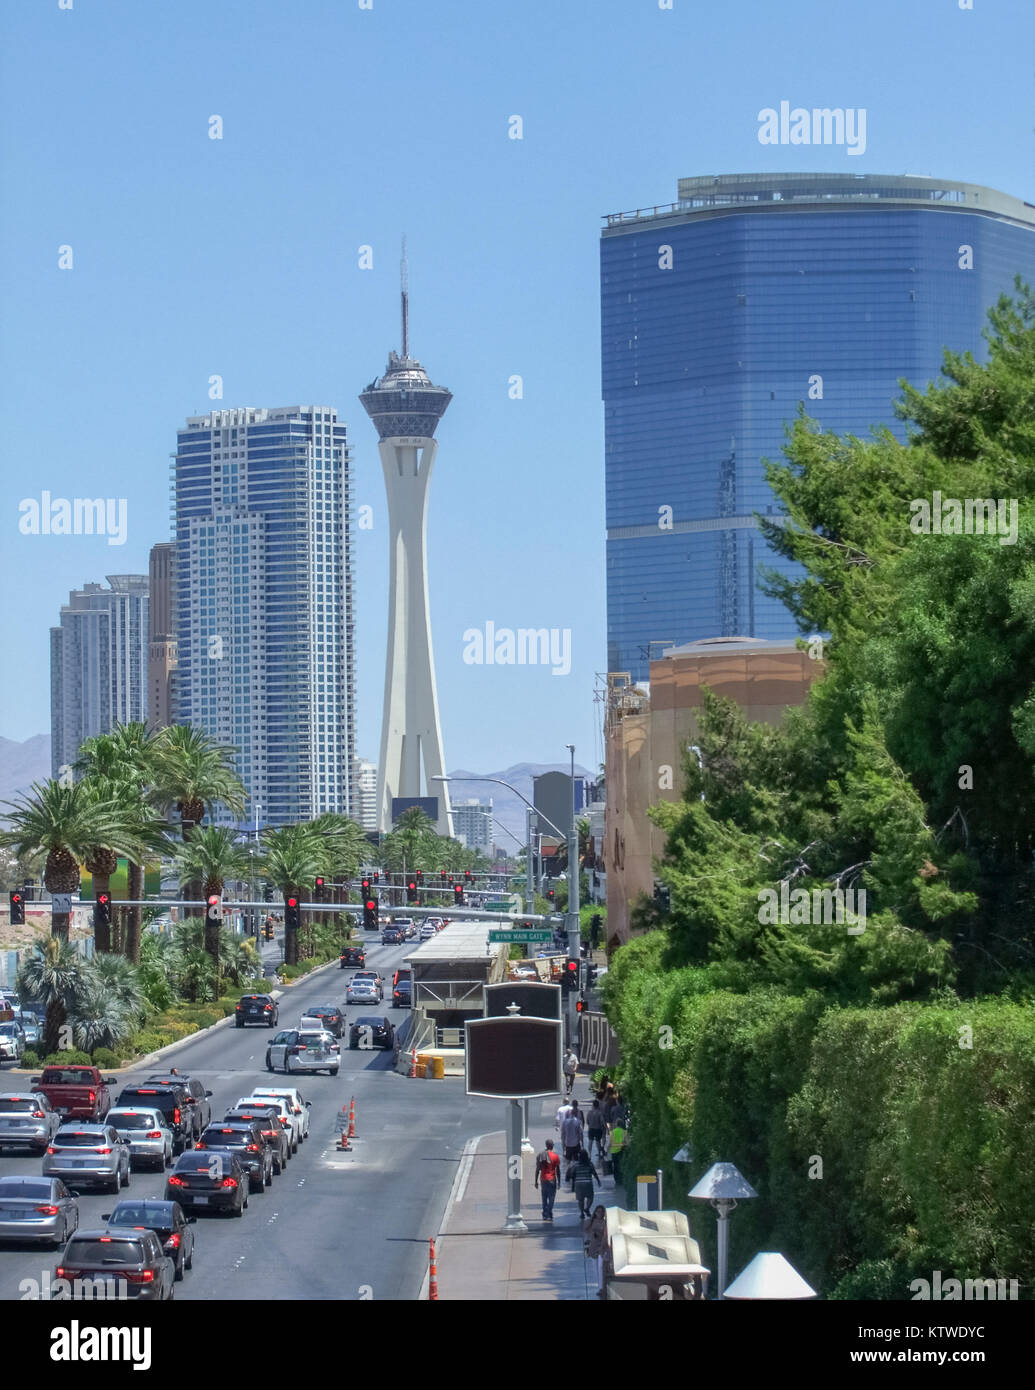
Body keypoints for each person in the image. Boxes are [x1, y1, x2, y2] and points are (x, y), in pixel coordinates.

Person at [569, 1145, 601, 1218]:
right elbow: (594, 1173)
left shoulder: (576, 1165)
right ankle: (587, 1209)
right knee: (590, 1197)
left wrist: (573, 1185)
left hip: (578, 1184)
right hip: (588, 1183)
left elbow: (572, 1175)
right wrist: (598, 1181)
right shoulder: (590, 1164)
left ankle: (581, 1213)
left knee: (581, 1200)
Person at [584, 1204, 609, 1297]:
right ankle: (599, 1288)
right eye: (598, 1211)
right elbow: (586, 1230)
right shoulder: (591, 1221)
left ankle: (602, 1288)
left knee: (601, 1267)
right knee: (596, 1269)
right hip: (593, 1247)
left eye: (601, 1211)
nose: (600, 1213)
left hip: (602, 1247)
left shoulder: (605, 1222)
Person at [534, 1138, 561, 1221]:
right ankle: (549, 1212)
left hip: (543, 1179)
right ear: (552, 1146)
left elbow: (537, 1169)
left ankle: (545, 1213)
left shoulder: (540, 1155)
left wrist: (535, 1181)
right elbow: (558, 1170)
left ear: (546, 1145)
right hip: (552, 1179)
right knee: (551, 1197)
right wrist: (559, 1181)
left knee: (544, 1197)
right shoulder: (555, 1156)